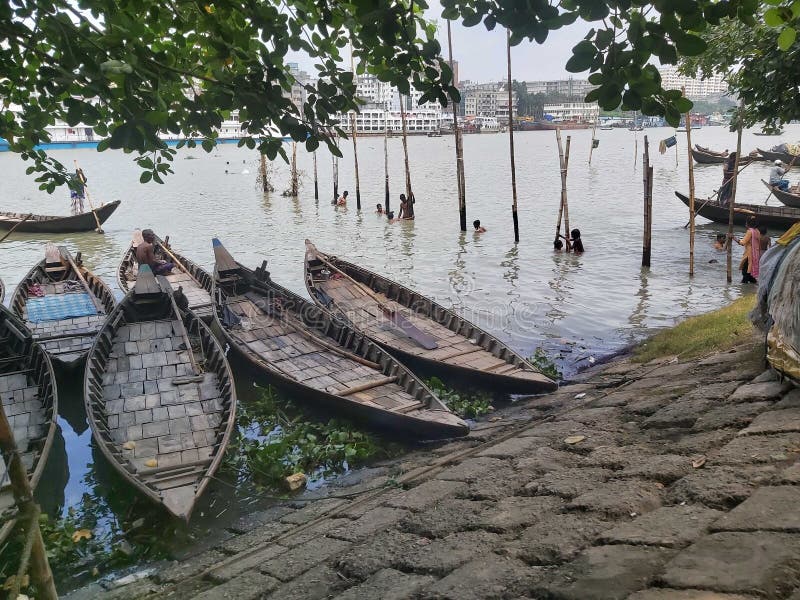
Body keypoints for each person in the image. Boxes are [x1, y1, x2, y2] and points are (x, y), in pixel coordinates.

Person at [736, 216, 761, 283]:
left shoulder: (750, 232)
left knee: (745, 271)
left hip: (749, 254)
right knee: (750, 271)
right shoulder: (757, 231)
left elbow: (743, 242)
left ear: (748, 223)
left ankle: (744, 285)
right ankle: (752, 284)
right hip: (755, 253)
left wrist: (735, 239)